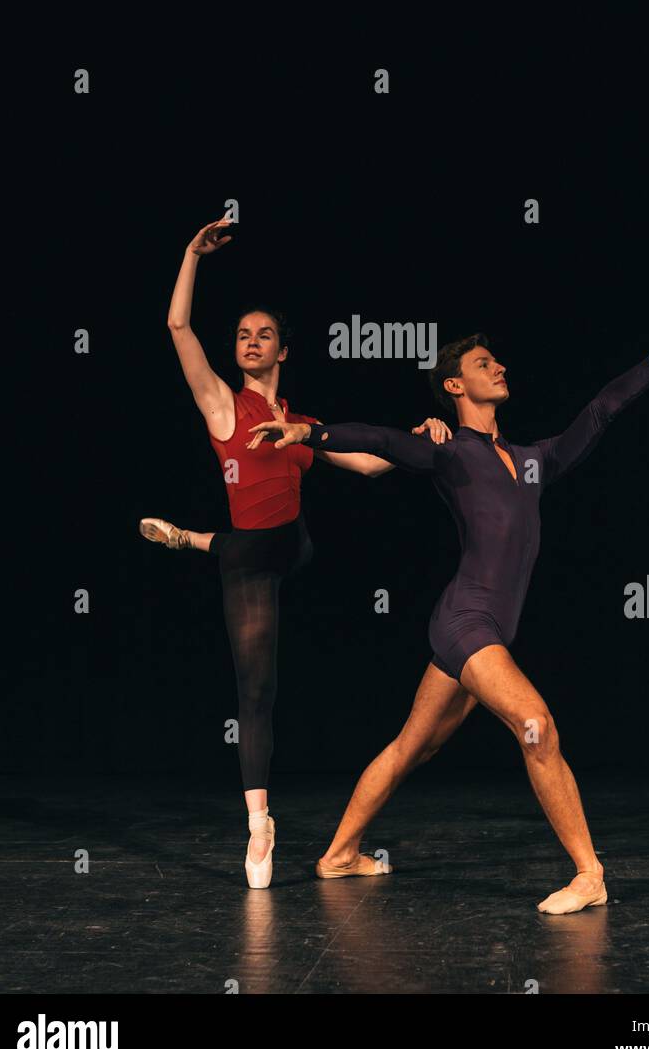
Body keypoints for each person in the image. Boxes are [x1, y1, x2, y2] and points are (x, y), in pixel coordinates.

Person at [249, 310, 649, 911]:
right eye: (483, 364)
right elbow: (379, 439)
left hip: (491, 628)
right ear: (454, 386)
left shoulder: (532, 461)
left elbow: (603, 409)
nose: (499, 367)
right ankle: (590, 874)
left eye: (496, 361)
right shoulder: (447, 450)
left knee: (410, 748)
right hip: (465, 622)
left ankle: (338, 856)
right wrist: (306, 434)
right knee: (537, 725)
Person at [139, 216, 450, 888]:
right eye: (242, 335)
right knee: (257, 688)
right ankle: (259, 823)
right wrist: (191, 255)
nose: (250, 342)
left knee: (278, 540)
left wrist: (423, 440)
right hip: (254, 558)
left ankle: (195, 539)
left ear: (283, 349)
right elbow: (177, 330)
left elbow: (368, 466)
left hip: (288, 546)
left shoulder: (299, 424)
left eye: (263, 335)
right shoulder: (224, 406)